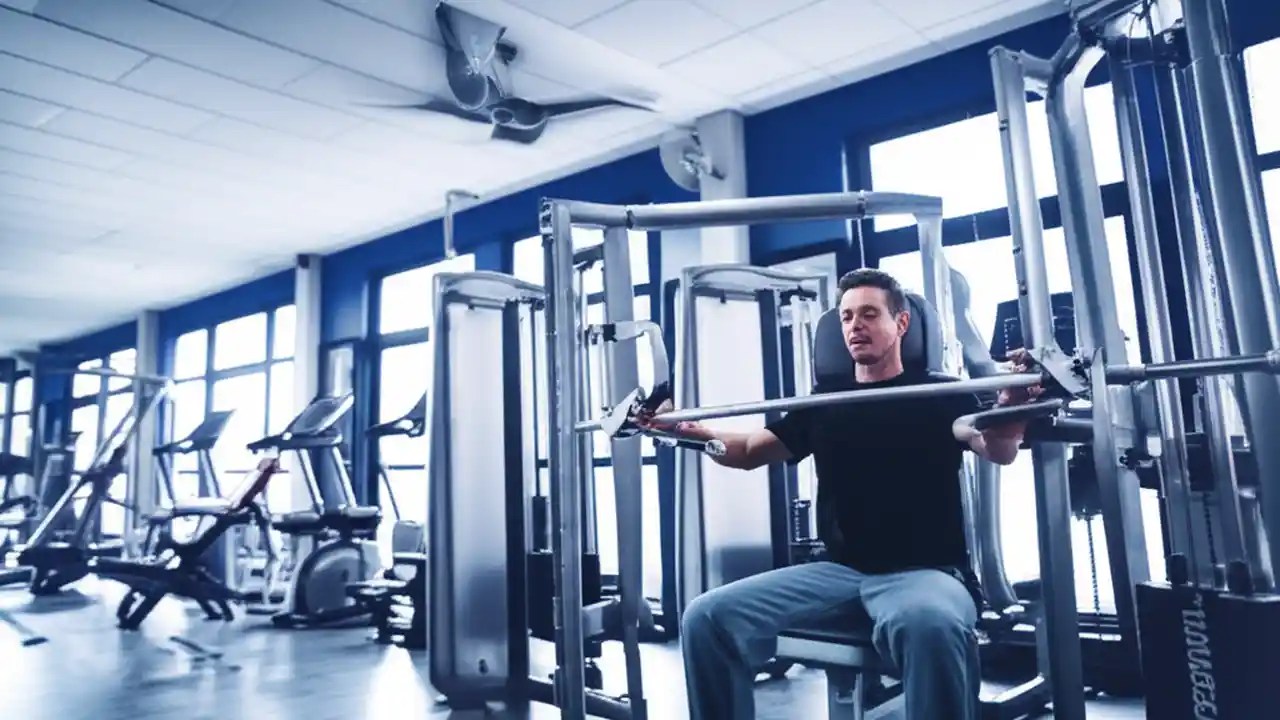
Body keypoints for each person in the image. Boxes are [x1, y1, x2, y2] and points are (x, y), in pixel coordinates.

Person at [643, 268, 1040, 720]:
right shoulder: (825, 403)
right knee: (705, 617)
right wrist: (685, 432)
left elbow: (996, 445)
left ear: (901, 323)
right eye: (847, 317)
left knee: (931, 624)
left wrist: (1013, 404)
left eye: (869, 314)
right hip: (839, 572)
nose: (855, 326)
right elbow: (749, 450)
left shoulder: (939, 394)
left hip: (927, 573)